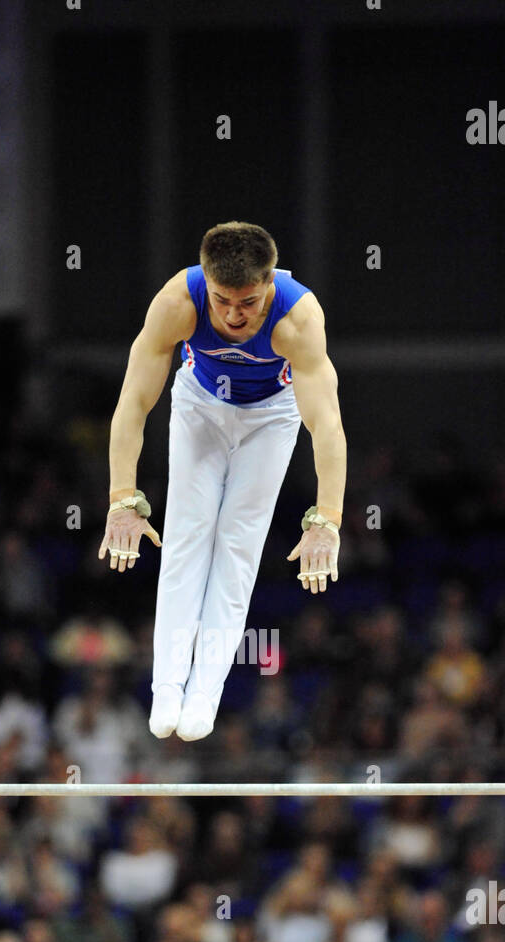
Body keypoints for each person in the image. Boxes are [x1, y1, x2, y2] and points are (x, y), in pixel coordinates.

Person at [99, 220, 347, 742]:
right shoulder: (177, 303)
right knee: (188, 536)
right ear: (205, 281)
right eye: (222, 301)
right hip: (200, 406)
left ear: (270, 284)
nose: (235, 315)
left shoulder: (298, 319)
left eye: (249, 303)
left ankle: (204, 694)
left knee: (238, 546)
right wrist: (122, 497)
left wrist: (328, 519)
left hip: (271, 415)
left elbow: (326, 424)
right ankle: (167, 687)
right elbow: (133, 403)